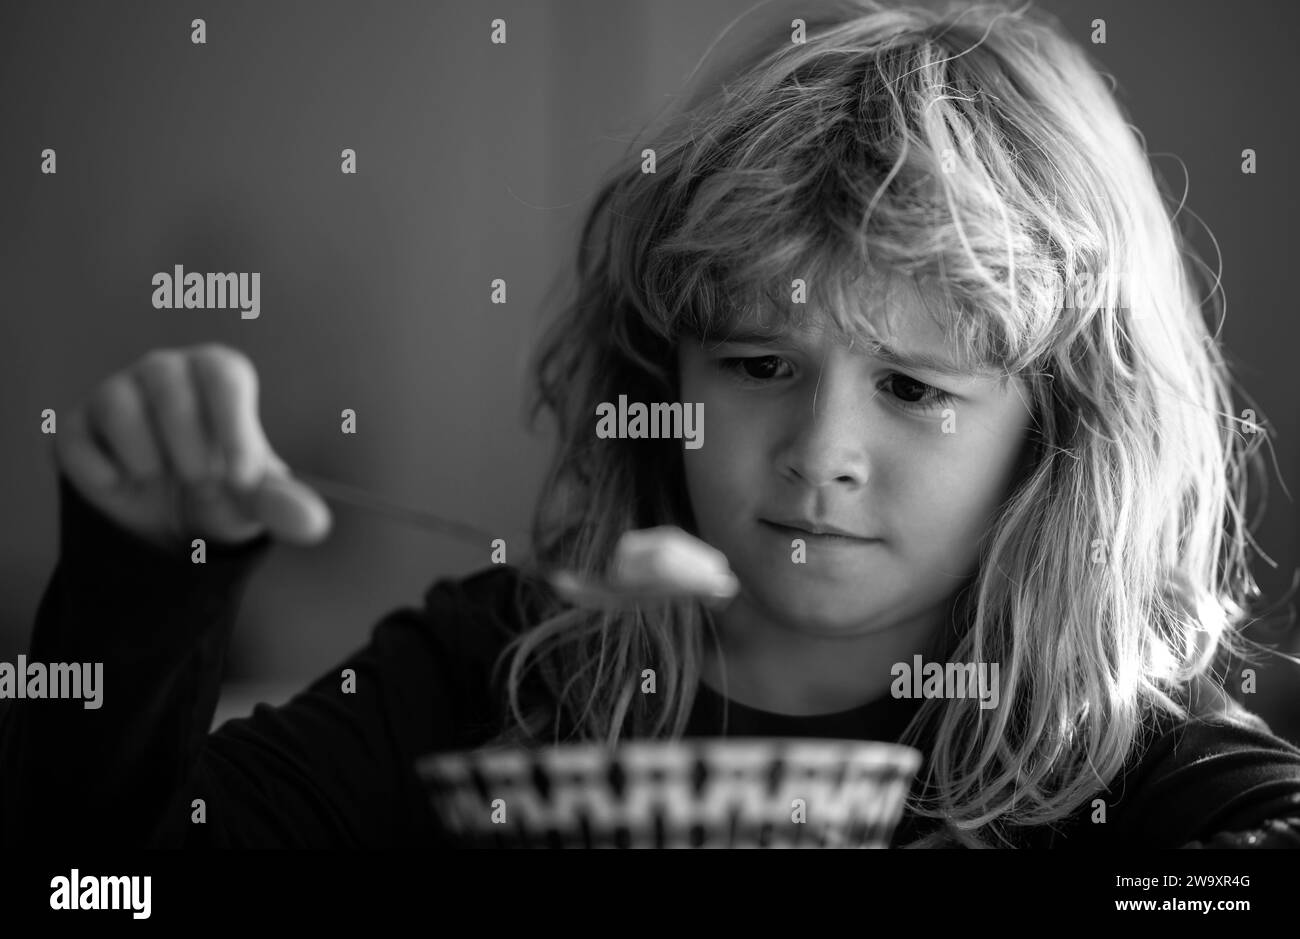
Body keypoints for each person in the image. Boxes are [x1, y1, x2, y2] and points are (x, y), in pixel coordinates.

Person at [3, 0, 1299, 849]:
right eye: (754, 363)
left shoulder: (1143, 779)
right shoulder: (494, 679)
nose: (817, 455)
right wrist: (140, 582)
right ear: (659, 366)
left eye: (913, 388)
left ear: (1059, 430)